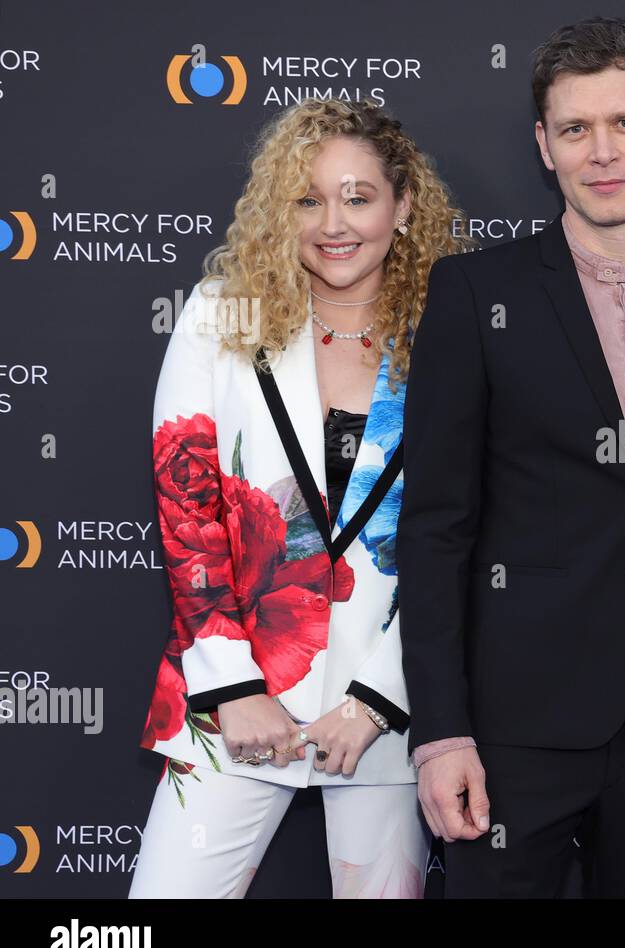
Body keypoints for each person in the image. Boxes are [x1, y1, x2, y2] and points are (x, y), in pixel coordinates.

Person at [397, 16, 625, 897]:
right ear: (545, 145)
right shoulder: (475, 293)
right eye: (575, 129)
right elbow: (436, 528)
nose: (602, 153)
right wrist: (442, 733)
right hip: (511, 733)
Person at [131, 98, 467, 898]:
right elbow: (190, 514)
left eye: (357, 196)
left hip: (385, 722)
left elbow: (463, 531)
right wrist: (235, 686)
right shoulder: (222, 315)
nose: (333, 223)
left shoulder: (454, 331)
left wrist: (380, 699)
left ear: (404, 204)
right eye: (307, 199)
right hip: (236, 709)